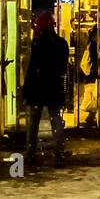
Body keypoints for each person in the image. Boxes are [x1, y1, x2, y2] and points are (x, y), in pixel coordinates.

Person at [23, 11, 71, 166]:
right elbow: (63, 68)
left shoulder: (38, 43)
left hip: (38, 87)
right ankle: (59, 154)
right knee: (56, 119)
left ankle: (31, 153)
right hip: (53, 87)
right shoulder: (61, 44)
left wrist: (27, 89)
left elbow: (33, 67)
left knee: (33, 121)